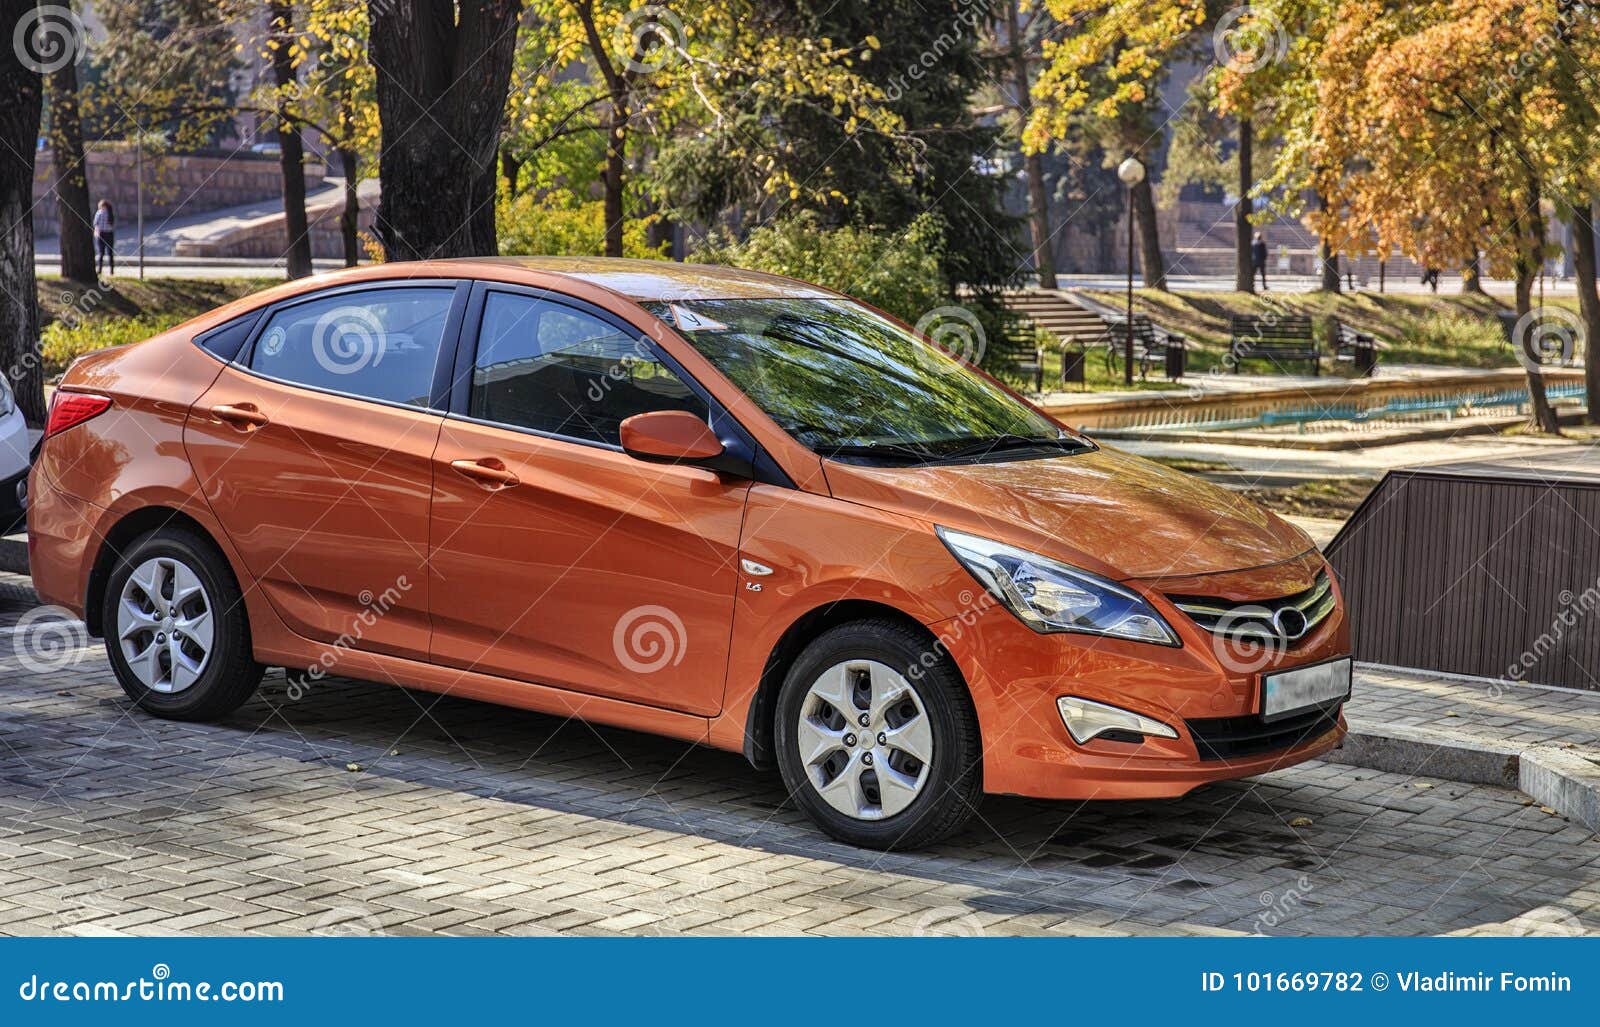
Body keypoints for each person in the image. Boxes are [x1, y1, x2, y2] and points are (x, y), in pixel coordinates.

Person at [93, 199, 115, 277]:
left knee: (101, 252)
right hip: (109, 234)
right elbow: (112, 224)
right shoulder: (110, 213)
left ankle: (99, 269)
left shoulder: (99, 213)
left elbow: (95, 223)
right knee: (110, 253)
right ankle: (112, 270)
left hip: (101, 234)